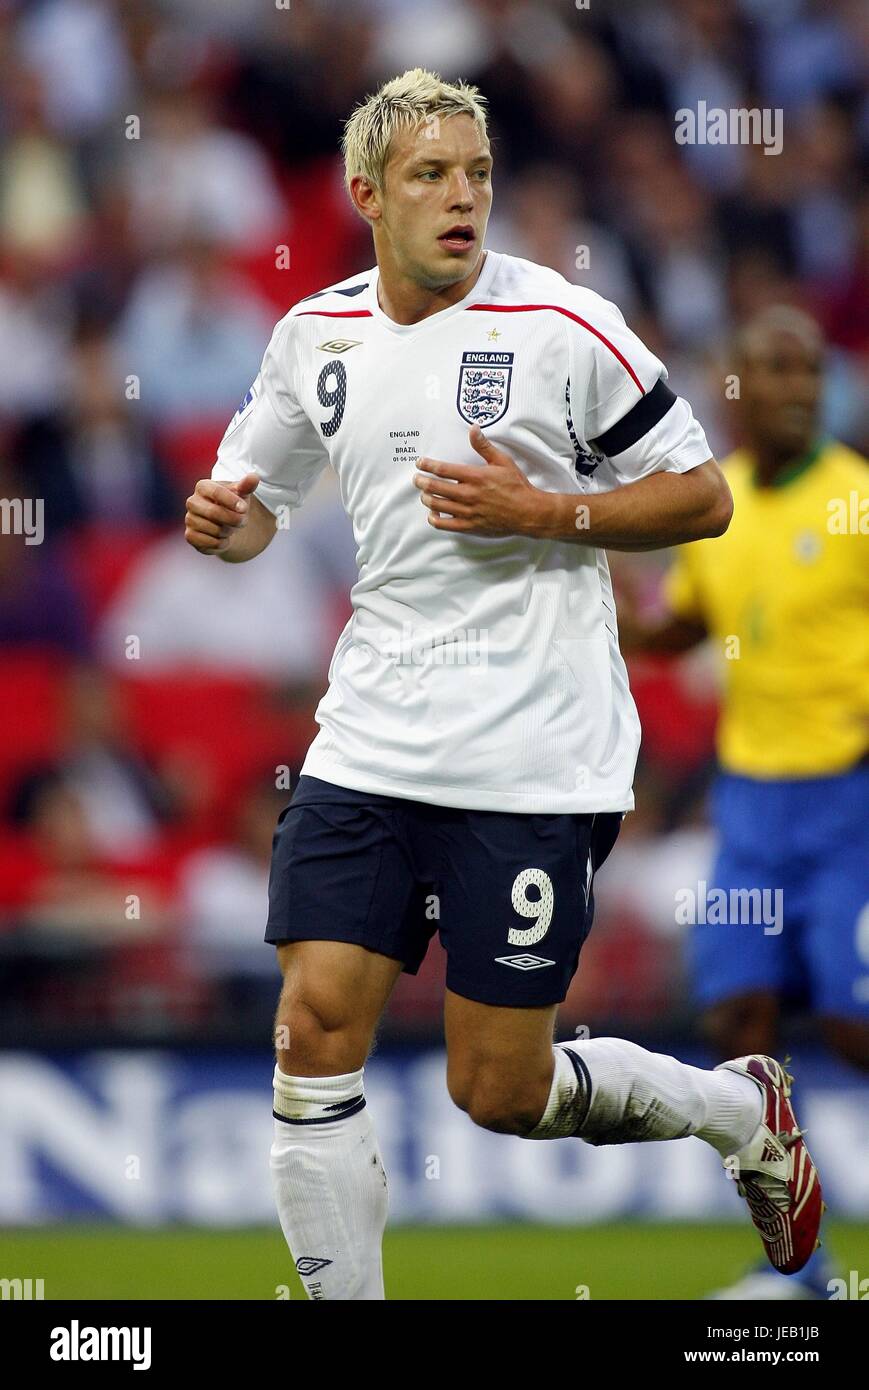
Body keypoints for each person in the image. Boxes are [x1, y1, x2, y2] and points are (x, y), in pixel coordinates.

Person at [183, 70, 821, 1301]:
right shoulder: (314, 334)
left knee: (498, 1089)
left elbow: (702, 495)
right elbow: (253, 508)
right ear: (367, 196)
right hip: (369, 731)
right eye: (429, 175)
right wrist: (226, 524)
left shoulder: (566, 327)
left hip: (532, 744)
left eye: (474, 173)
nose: (460, 196)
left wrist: (547, 507)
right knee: (312, 1025)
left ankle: (734, 1109)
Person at [617, 306, 867, 1298]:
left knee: (852, 1026)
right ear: (735, 385)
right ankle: (801, 1265)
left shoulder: (855, 500)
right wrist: (598, 606)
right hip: (750, 809)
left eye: (808, 371)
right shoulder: (713, 509)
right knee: (734, 1023)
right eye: (775, 368)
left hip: (847, 799)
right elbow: (685, 624)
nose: (797, 388)